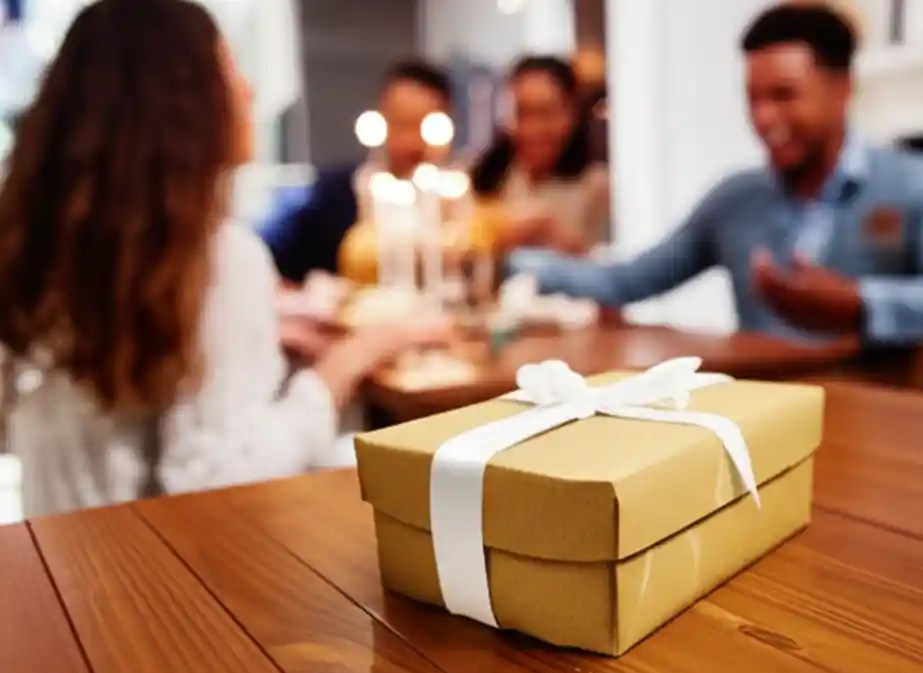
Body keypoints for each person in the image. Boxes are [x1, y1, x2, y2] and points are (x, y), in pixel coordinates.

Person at [0, 0, 446, 518]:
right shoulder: (217, 258)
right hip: (161, 581)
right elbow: (216, 477)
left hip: (62, 563)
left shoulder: (40, 245)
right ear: (179, 105)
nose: (249, 91)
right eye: (229, 70)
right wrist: (347, 363)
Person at [510, 4, 923, 346]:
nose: (763, 119)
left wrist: (860, 305)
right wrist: (516, 261)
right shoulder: (735, 199)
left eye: (784, 95)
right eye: (753, 98)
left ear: (843, 88)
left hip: (883, 424)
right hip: (760, 431)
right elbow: (628, 279)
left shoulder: (918, 182)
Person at [263, 57, 453, 283]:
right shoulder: (335, 194)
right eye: (401, 123)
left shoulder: (458, 201)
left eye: (424, 126)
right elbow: (278, 262)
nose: (411, 141)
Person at [471, 56, 610, 256]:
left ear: (572, 113)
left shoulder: (598, 185)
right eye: (522, 113)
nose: (532, 129)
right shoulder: (491, 175)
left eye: (545, 113)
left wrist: (549, 230)